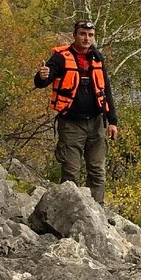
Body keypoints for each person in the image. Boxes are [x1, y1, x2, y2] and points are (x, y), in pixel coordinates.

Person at [34, 20, 118, 203]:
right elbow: (42, 82)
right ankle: (68, 210)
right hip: (71, 124)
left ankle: (97, 211)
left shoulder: (97, 57)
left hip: (97, 123)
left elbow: (106, 90)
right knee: (71, 172)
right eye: (83, 34)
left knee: (97, 171)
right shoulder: (60, 57)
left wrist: (112, 121)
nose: (87, 38)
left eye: (90, 35)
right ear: (74, 35)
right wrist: (42, 76)